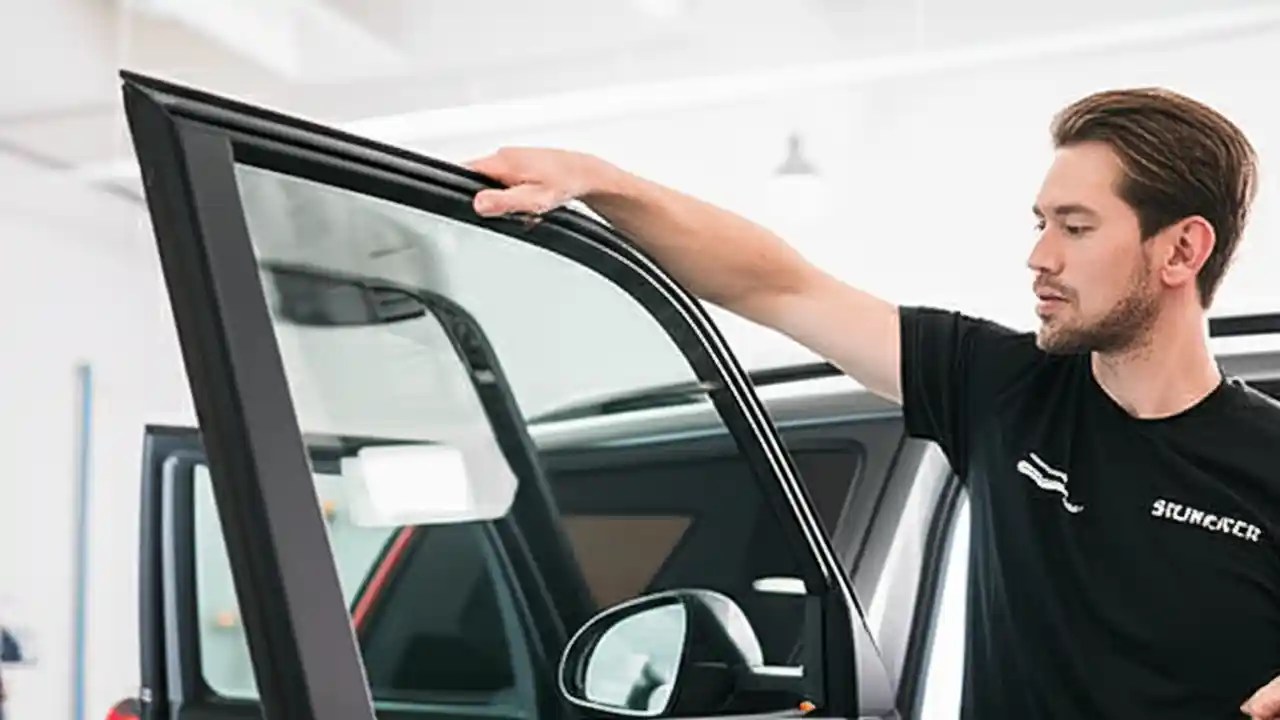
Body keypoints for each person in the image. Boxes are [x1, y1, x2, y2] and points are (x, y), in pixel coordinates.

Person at [465, 87, 1280, 719]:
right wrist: (599, 183)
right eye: (1040, 223)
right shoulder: (999, 386)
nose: (1038, 257)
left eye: (1075, 227)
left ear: (1181, 249)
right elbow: (774, 284)